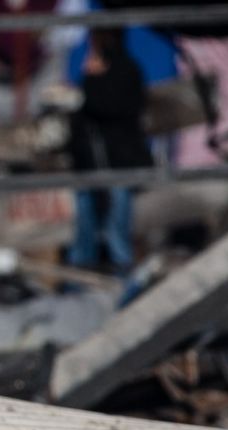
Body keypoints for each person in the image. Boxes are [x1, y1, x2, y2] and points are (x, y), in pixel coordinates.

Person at [67, 27, 152, 276]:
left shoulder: (124, 70)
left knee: (116, 229)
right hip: (92, 162)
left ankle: (120, 277)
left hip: (117, 161)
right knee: (86, 226)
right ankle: (81, 277)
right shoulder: (115, 69)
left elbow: (107, 107)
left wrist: (92, 81)